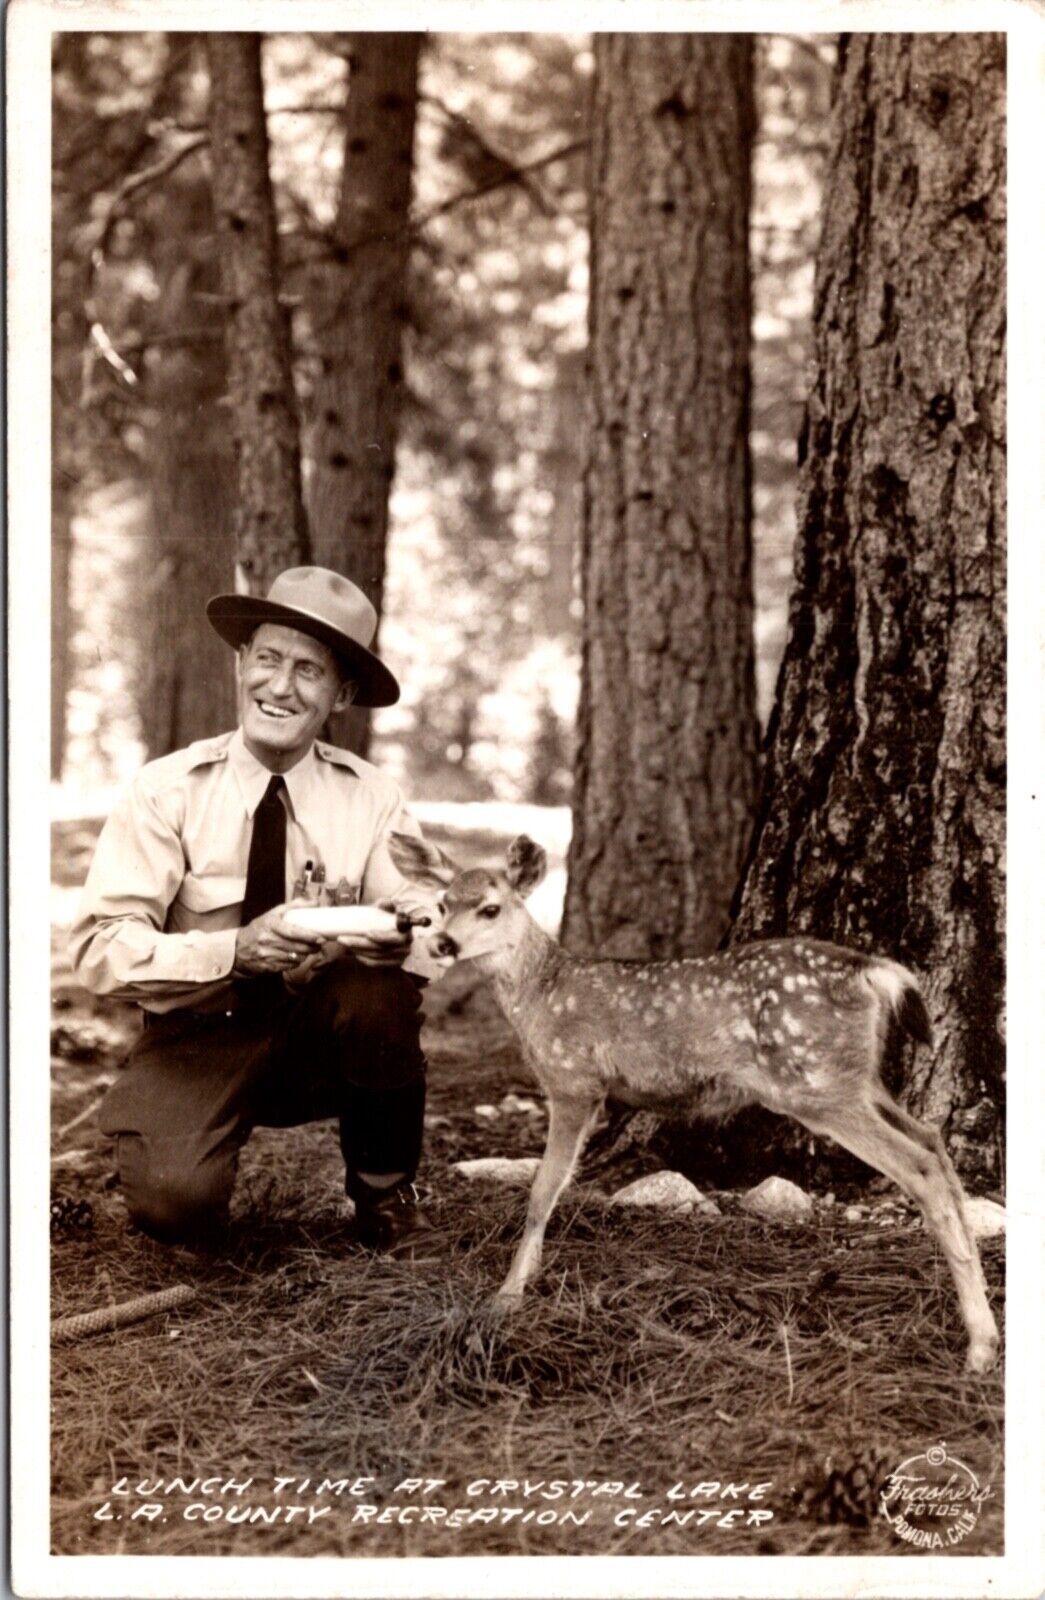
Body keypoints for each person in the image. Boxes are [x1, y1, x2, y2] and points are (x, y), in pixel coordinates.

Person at [69, 566, 438, 1255]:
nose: (280, 686)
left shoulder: (372, 797)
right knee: (175, 1206)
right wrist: (234, 949)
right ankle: (188, 1153)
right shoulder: (166, 790)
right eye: (266, 658)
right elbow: (98, 950)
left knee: (378, 991)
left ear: (341, 696)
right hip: (197, 1036)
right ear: (241, 663)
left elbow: (424, 925)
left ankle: (386, 1194)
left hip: (313, 1036)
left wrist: (402, 937)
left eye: (308, 671)